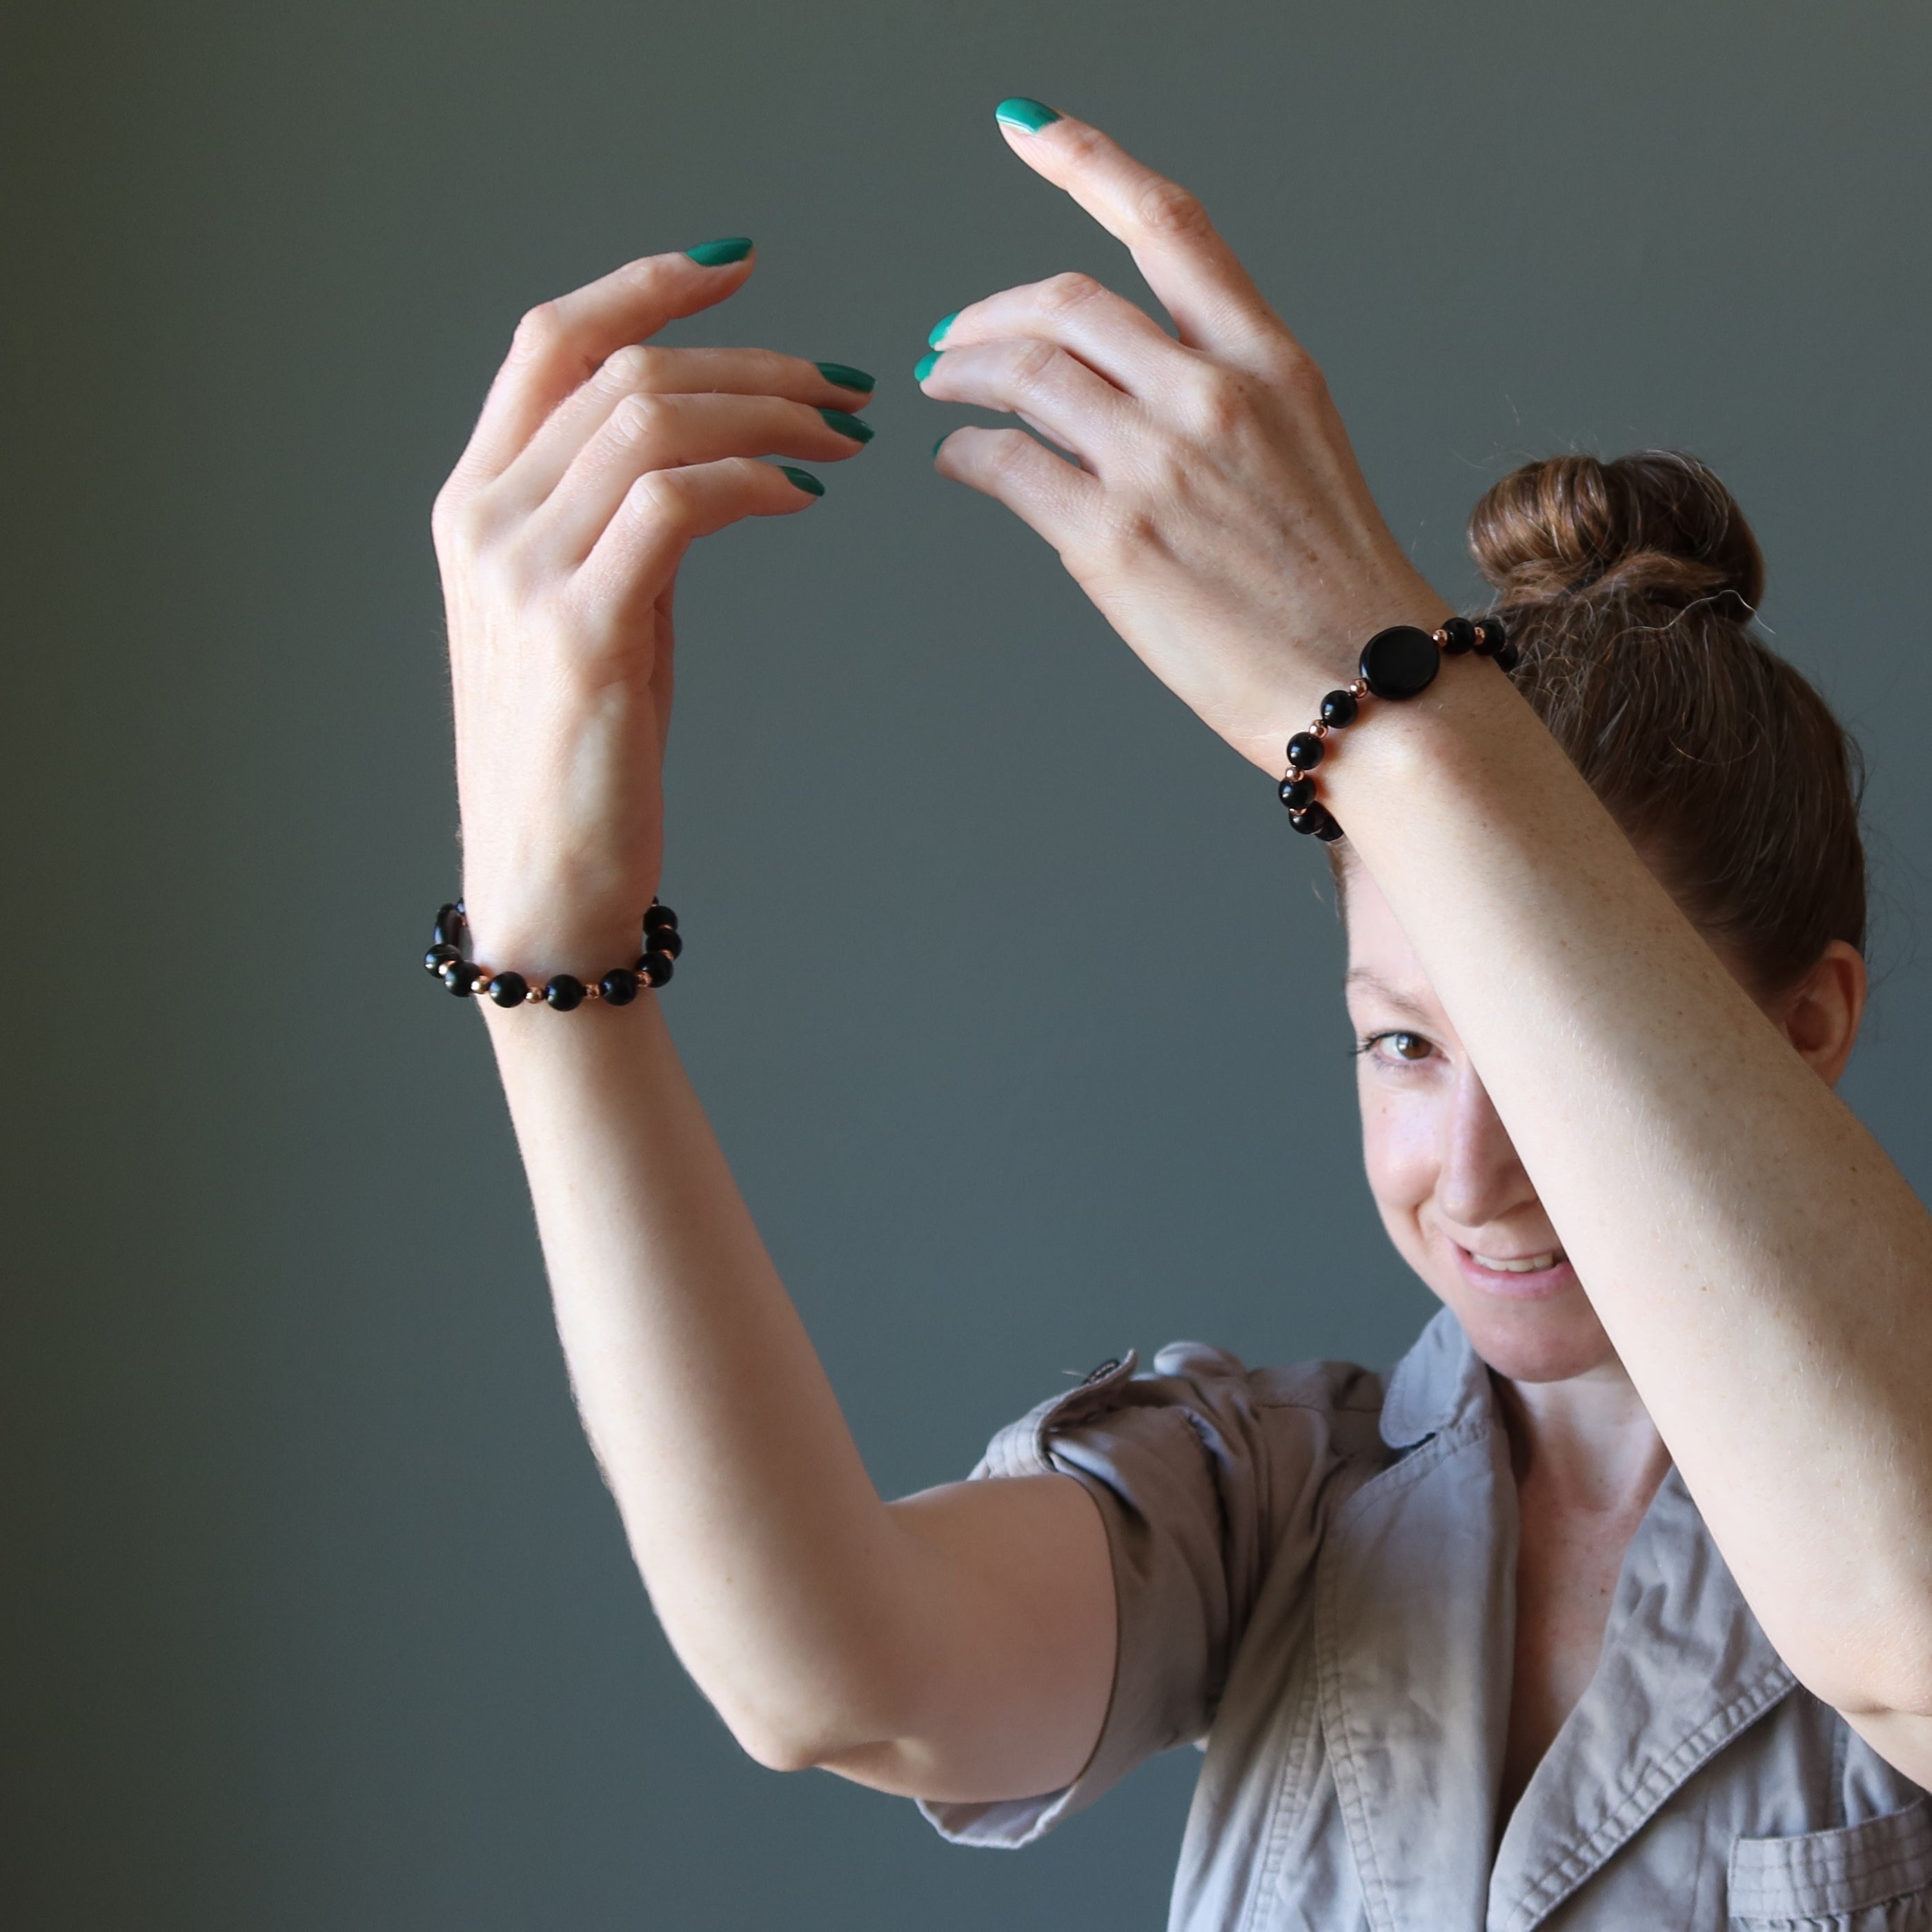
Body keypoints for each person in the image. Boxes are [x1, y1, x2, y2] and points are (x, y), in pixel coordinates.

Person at [428, 99, 1932, 1930]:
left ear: (1806, 1025)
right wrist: (556, 961)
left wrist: (1389, 696)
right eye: (1402, 1045)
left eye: (1535, 1055)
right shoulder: (1274, 1500)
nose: (1471, 1171)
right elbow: (834, 1677)